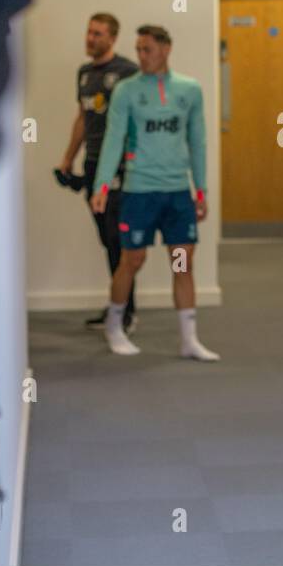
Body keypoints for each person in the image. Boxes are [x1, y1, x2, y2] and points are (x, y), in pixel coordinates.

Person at [90, 25, 218, 361]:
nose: (141, 56)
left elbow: (197, 141)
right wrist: (101, 186)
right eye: (138, 50)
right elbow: (113, 140)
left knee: (182, 263)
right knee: (132, 260)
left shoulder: (188, 90)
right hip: (139, 192)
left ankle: (189, 339)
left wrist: (201, 190)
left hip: (177, 194)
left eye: (147, 50)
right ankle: (115, 326)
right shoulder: (127, 91)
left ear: (166, 49)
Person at [57, 13, 140, 334]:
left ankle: (126, 312)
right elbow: (83, 117)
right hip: (93, 165)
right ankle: (117, 305)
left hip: (120, 168)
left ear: (112, 38)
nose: (90, 38)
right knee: (108, 240)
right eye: (88, 32)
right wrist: (69, 158)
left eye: (97, 34)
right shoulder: (84, 73)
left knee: (120, 240)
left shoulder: (127, 72)